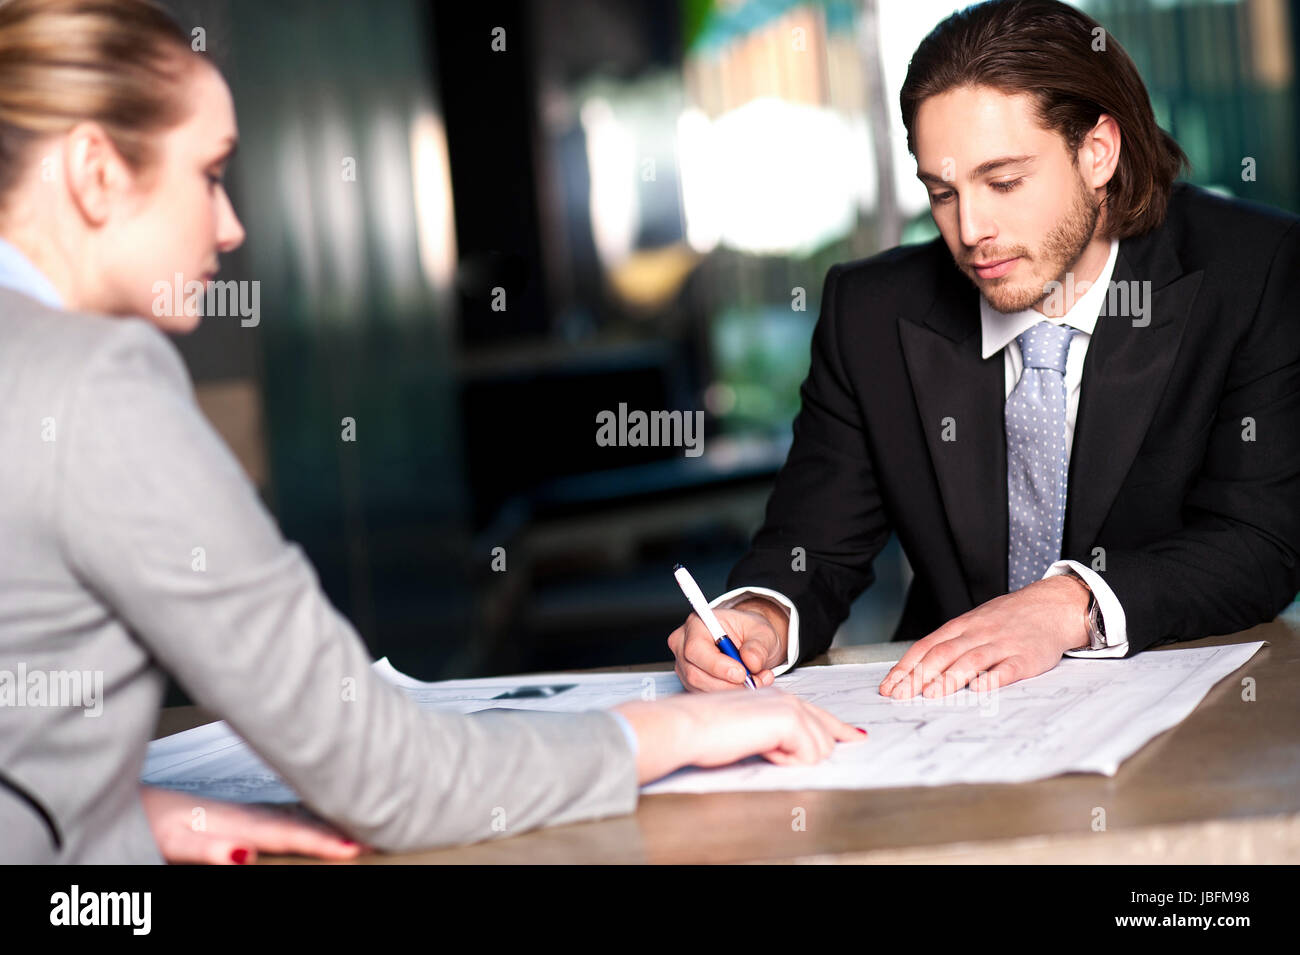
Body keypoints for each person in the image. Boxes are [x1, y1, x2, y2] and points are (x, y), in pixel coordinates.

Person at [0, 0, 863, 864]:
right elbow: (393, 778)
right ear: (96, 172)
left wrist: (116, 808)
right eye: (211, 173)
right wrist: (668, 732)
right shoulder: (102, 383)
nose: (230, 226)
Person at [669, 0, 1300, 698]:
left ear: (1098, 152)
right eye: (942, 193)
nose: (971, 230)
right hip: (947, 717)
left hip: (1187, 715)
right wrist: (760, 614)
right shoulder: (870, 313)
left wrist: (1067, 606)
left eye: (1003, 183)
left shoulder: (1254, 271)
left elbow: (1260, 542)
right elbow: (811, 547)